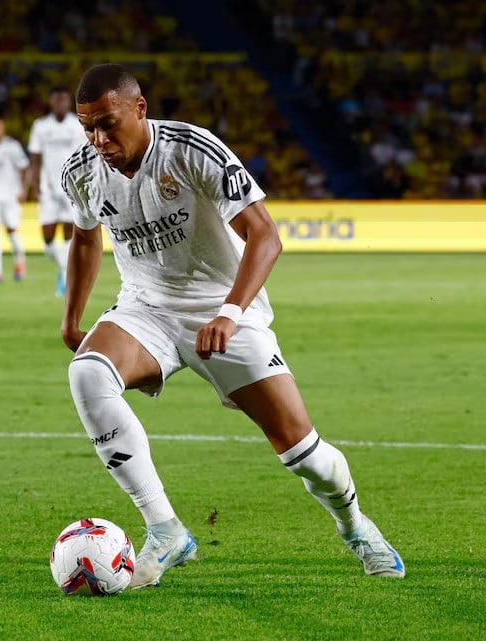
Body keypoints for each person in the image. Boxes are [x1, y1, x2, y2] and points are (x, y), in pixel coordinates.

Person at [60, 64, 404, 588]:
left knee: (301, 451)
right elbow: (85, 239)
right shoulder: (81, 170)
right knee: (87, 374)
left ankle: (356, 527)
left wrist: (229, 313)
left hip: (223, 309)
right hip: (145, 308)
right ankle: (165, 529)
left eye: (107, 124)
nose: (99, 139)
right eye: (87, 127)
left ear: (139, 109)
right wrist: (72, 318)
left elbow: (265, 235)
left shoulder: (194, 151)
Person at [26, 86, 87, 297]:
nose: (60, 103)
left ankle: (64, 276)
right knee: (48, 240)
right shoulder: (41, 126)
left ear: (68, 102)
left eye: (64, 100)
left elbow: (86, 156)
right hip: (47, 188)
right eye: (57, 100)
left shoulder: (77, 125)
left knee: (70, 235)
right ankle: (63, 269)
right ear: (51, 102)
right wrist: (34, 186)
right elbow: (35, 157)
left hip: (71, 188)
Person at [0, 116, 29, 282]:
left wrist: (23, 189)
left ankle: (20, 262)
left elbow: (24, 168)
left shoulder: (12, 146)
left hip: (10, 195)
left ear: (3, 128)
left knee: (12, 232)